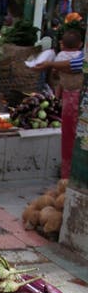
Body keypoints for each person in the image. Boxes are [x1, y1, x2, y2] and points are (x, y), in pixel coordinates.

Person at [35, 29, 84, 180]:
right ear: (81, 44)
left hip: (70, 101)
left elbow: (67, 71)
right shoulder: (80, 56)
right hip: (77, 100)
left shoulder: (61, 58)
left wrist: (50, 64)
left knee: (69, 137)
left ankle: (67, 173)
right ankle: (71, 174)